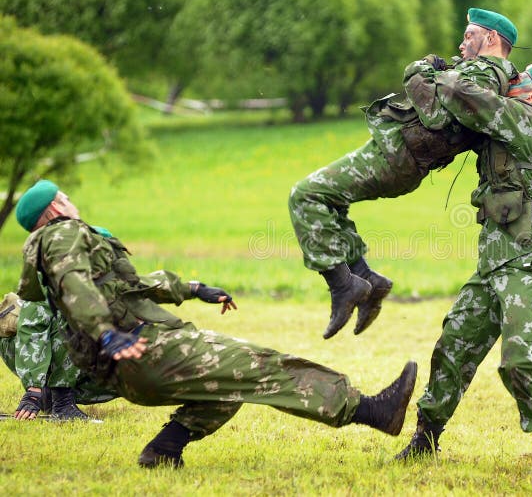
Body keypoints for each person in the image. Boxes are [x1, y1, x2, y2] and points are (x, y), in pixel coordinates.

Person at [13, 179, 417, 468]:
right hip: (142, 351)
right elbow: (76, 284)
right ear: (54, 208)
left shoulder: (61, 245)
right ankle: (371, 411)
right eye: (64, 196)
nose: (71, 201)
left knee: (227, 386)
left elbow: (129, 286)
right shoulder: (63, 235)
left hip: (131, 366)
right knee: (261, 366)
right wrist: (106, 332)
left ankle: (165, 449)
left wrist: (195, 288)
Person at [289, 8, 526, 339]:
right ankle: (364, 278)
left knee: (305, 195)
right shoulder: (477, 72)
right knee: (329, 202)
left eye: (469, 35)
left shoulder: (485, 75)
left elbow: (438, 118)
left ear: (491, 38)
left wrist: (418, 71)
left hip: (396, 156)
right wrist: (441, 74)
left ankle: (344, 286)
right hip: (397, 153)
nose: (461, 44)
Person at [394, 59, 532, 474]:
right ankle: (425, 439)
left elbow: (470, 99)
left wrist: (445, 69)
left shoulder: (527, 122)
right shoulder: (500, 130)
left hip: (529, 260)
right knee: (453, 346)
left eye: (515, 81)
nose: (507, 85)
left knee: (517, 358)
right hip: (493, 263)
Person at [1, 295, 116, 420]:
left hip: (51, 340)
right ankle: (62, 401)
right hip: (19, 343)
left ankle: (51, 394)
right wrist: (33, 389)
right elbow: (32, 327)